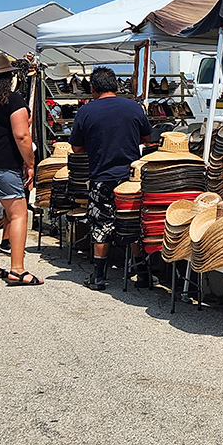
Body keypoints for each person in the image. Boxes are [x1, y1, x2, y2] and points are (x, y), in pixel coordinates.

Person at [70, 67, 152, 290]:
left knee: (101, 224)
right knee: (133, 222)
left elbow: (76, 147)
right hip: (131, 178)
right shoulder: (133, 107)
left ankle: (98, 277)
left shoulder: (86, 112)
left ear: (93, 88)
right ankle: (143, 274)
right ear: (116, 86)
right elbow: (147, 137)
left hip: (102, 176)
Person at [0, 53, 42, 285]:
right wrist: (31, 164)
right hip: (5, 165)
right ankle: (17, 269)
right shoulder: (13, 100)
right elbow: (22, 135)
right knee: (18, 215)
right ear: (9, 78)